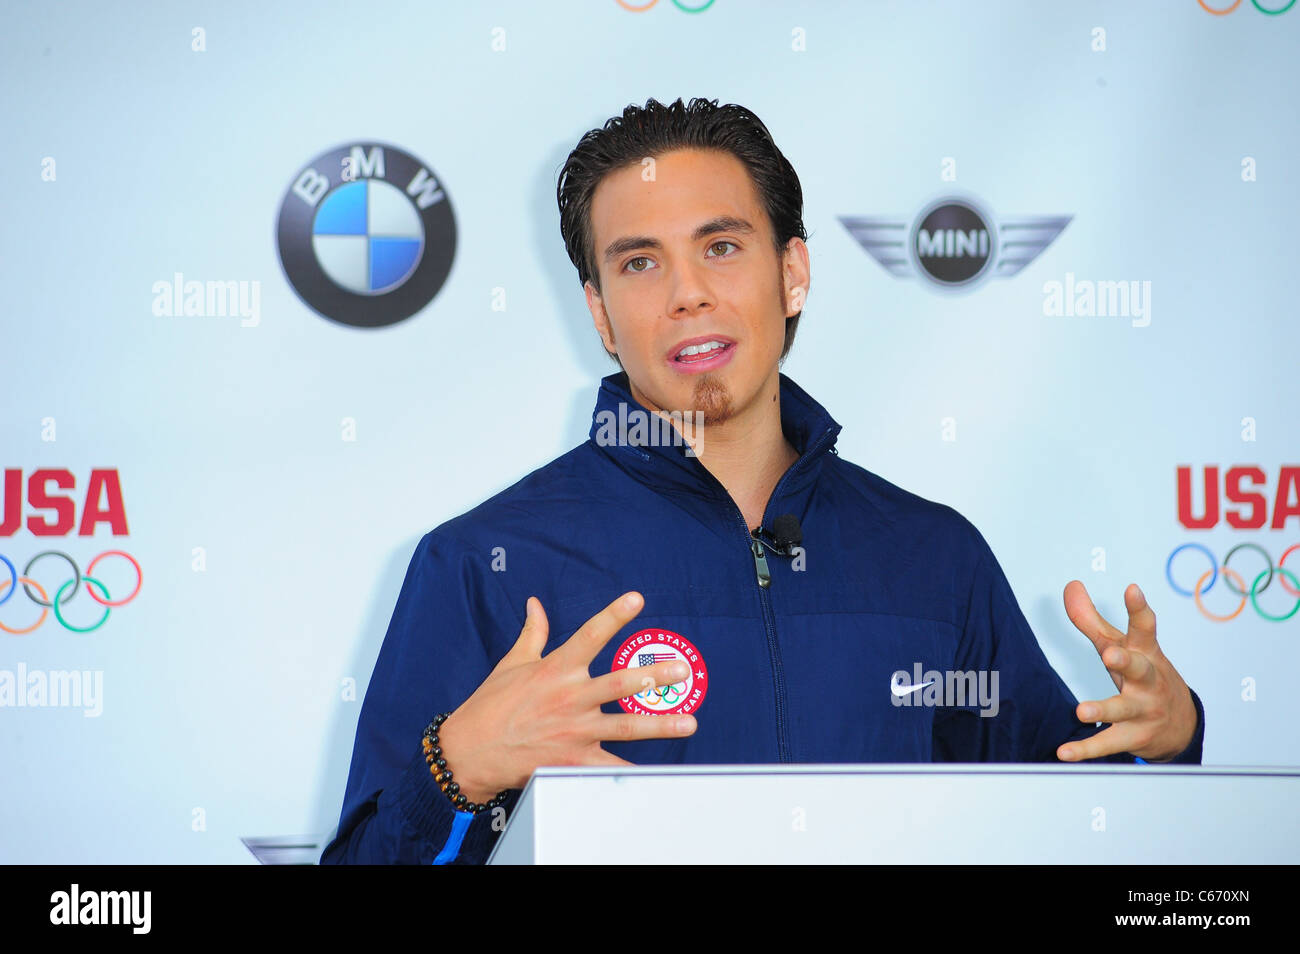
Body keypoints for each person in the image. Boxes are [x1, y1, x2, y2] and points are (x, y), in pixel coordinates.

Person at [320, 97, 1204, 866]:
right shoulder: (485, 562)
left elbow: (1068, 826)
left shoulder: (935, 557)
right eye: (639, 262)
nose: (687, 294)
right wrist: (456, 768)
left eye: (720, 246)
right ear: (600, 314)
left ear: (793, 274)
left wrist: (1165, 745)